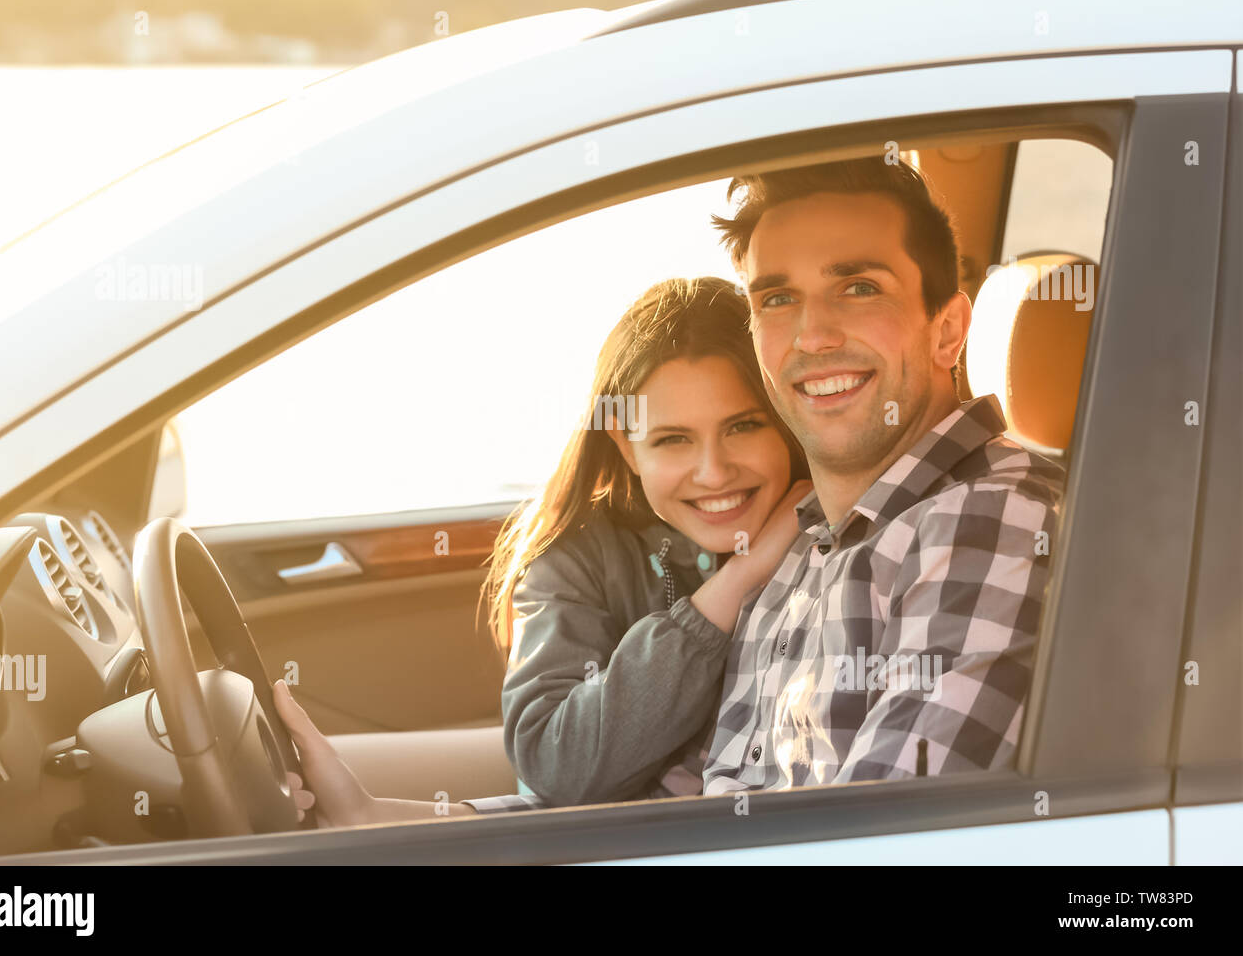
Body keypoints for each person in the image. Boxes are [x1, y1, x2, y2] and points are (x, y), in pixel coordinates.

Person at [273, 276, 812, 825]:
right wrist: (731, 588)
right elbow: (558, 769)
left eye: (743, 426)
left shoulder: (834, 539)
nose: (715, 472)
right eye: (674, 439)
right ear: (628, 448)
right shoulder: (576, 553)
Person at [700, 156, 1065, 793]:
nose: (811, 336)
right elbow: (706, 791)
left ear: (947, 331)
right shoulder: (804, 536)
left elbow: (884, 842)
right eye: (778, 299)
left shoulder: (987, 518)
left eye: (859, 287)